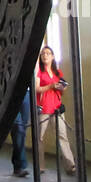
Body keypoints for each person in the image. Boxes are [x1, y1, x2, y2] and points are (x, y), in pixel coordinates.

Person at [34, 45, 77, 175]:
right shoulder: (39, 72)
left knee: (62, 136)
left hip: (56, 108)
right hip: (44, 108)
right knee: (39, 137)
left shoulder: (57, 73)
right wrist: (51, 85)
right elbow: (37, 88)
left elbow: (62, 88)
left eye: (47, 53)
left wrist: (61, 88)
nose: (45, 56)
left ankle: (70, 165)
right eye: (43, 54)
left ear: (52, 56)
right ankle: (40, 166)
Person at [9, 87, 32, 177]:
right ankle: (21, 165)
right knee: (18, 128)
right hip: (11, 92)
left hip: (26, 92)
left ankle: (17, 166)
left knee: (21, 131)